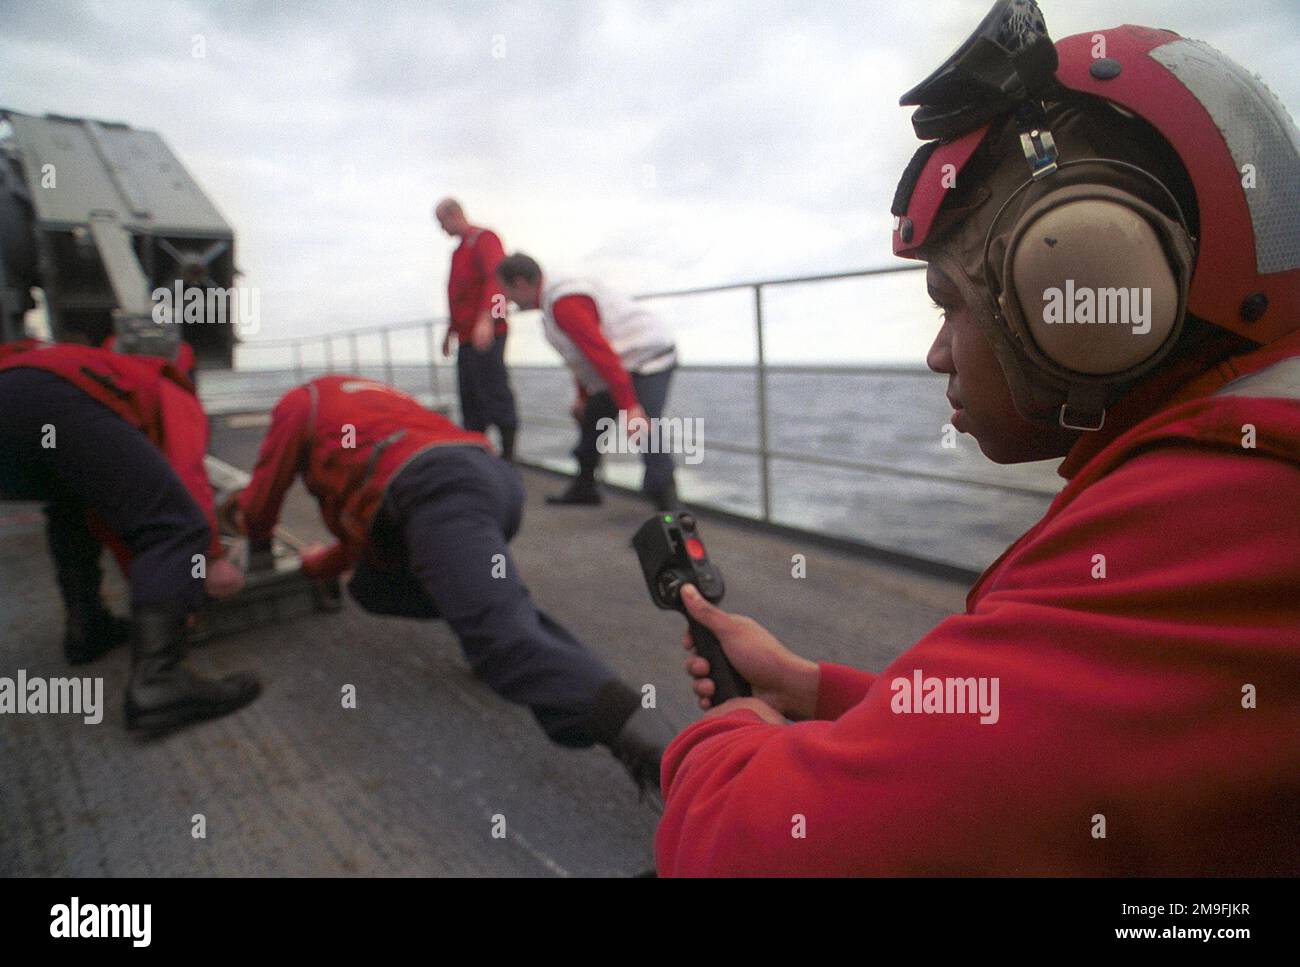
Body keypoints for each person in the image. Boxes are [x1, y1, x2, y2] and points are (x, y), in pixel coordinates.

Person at [655, 1, 1300, 876]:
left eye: (950, 303)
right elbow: (1058, 740)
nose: (936, 353)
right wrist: (816, 691)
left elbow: (753, 853)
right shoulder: (1246, 478)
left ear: (1083, 276)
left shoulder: (1221, 520)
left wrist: (726, 736)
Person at [223, 374, 677, 795]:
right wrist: (317, 567)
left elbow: (263, 498)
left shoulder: (302, 401)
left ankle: (676, 758)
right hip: (492, 483)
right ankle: (484, 602)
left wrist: (256, 540)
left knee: (501, 639)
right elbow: (365, 537)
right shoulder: (377, 399)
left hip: (436, 490)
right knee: (369, 587)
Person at [0, 338, 260, 732]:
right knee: (178, 523)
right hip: (45, 398)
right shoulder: (166, 381)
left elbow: (117, 515)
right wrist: (208, 560)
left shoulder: (96, 367)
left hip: (16, 414)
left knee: (73, 506)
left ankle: (86, 629)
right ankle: (158, 682)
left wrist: (163, 586)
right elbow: (186, 479)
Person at [495, 253, 679, 509]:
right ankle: (585, 487)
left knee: (643, 427)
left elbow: (601, 354)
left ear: (521, 284)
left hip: (648, 358)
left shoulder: (564, 303)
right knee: (591, 416)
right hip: (620, 365)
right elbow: (581, 356)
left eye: (505, 291)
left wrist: (631, 407)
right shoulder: (551, 307)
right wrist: (583, 397)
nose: (507, 300)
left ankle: (671, 513)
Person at [434, 198, 518, 461]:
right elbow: (459, 295)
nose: (442, 229)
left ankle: (509, 457)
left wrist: (488, 319)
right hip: (466, 338)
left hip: (488, 335)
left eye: (441, 222)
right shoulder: (458, 252)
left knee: (495, 392)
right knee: (469, 398)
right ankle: (478, 456)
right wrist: (451, 331)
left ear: (454, 214)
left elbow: (497, 279)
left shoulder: (485, 239)